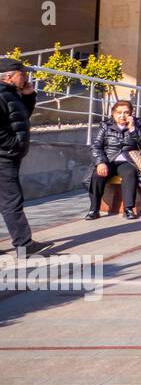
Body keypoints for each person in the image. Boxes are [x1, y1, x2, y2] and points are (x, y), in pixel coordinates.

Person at [0, 58, 57, 255]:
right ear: (8, 76)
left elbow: (21, 117)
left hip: (8, 155)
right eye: (21, 74)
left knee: (7, 200)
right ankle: (24, 245)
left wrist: (29, 96)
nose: (25, 77)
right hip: (4, 157)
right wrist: (13, 146)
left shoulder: (10, 94)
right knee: (12, 200)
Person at [86, 99, 141, 220]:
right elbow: (96, 146)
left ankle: (128, 209)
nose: (122, 115)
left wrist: (132, 129)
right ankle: (94, 209)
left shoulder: (138, 124)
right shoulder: (105, 126)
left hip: (128, 160)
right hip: (109, 160)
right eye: (119, 112)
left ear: (131, 113)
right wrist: (100, 162)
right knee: (97, 175)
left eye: (126, 112)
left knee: (130, 173)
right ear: (113, 113)